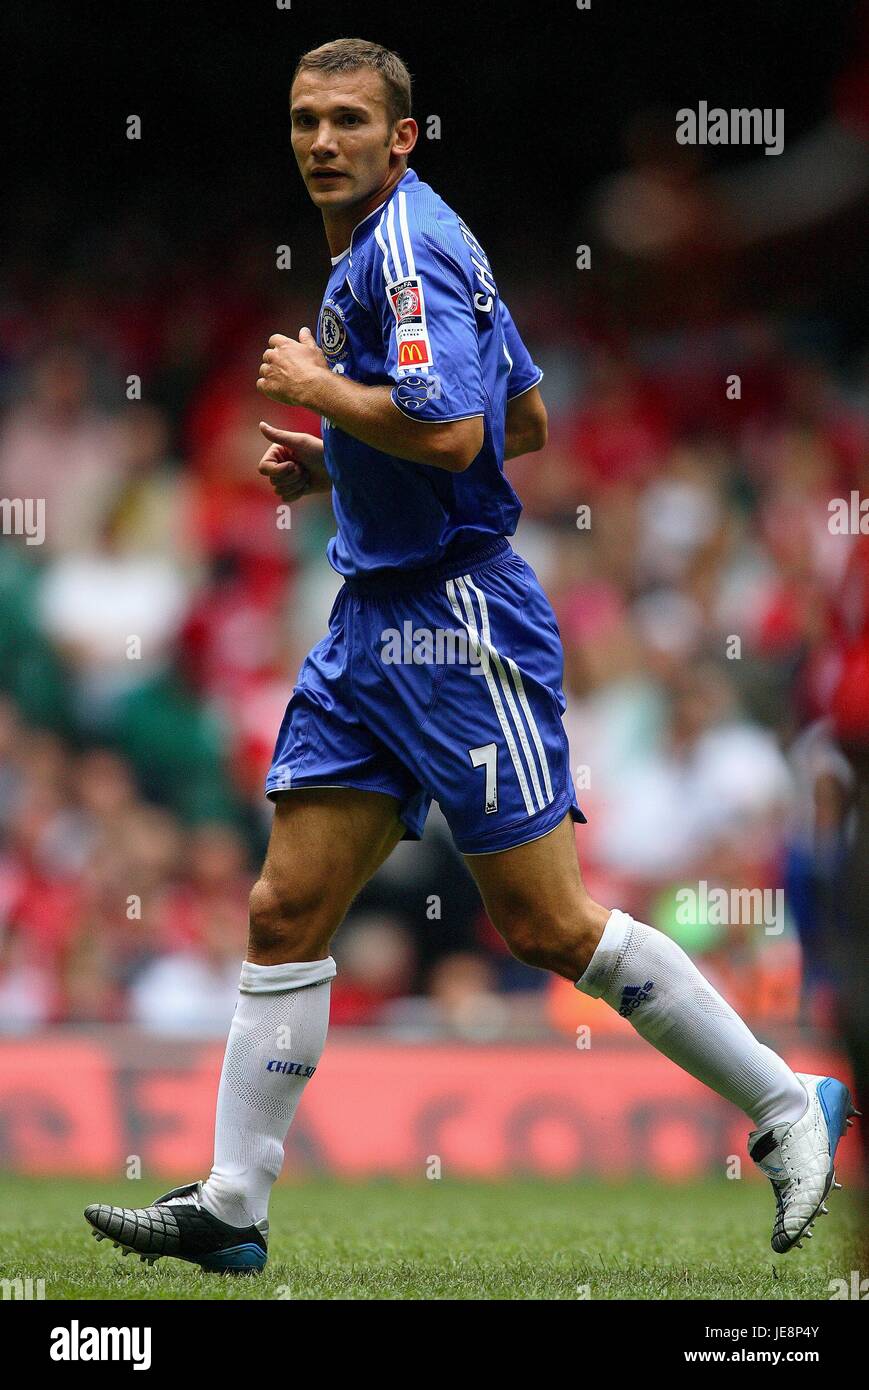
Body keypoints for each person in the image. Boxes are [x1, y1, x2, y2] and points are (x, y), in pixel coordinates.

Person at [85, 37, 857, 1274]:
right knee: (284, 907)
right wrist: (334, 459)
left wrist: (316, 391)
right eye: (302, 120)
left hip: (456, 621)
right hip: (369, 620)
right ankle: (234, 1202)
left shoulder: (402, 248)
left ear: (401, 137)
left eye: (346, 120)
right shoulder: (400, 242)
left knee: (546, 926)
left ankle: (782, 1102)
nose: (320, 141)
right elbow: (527, 415)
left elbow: (455, 435)